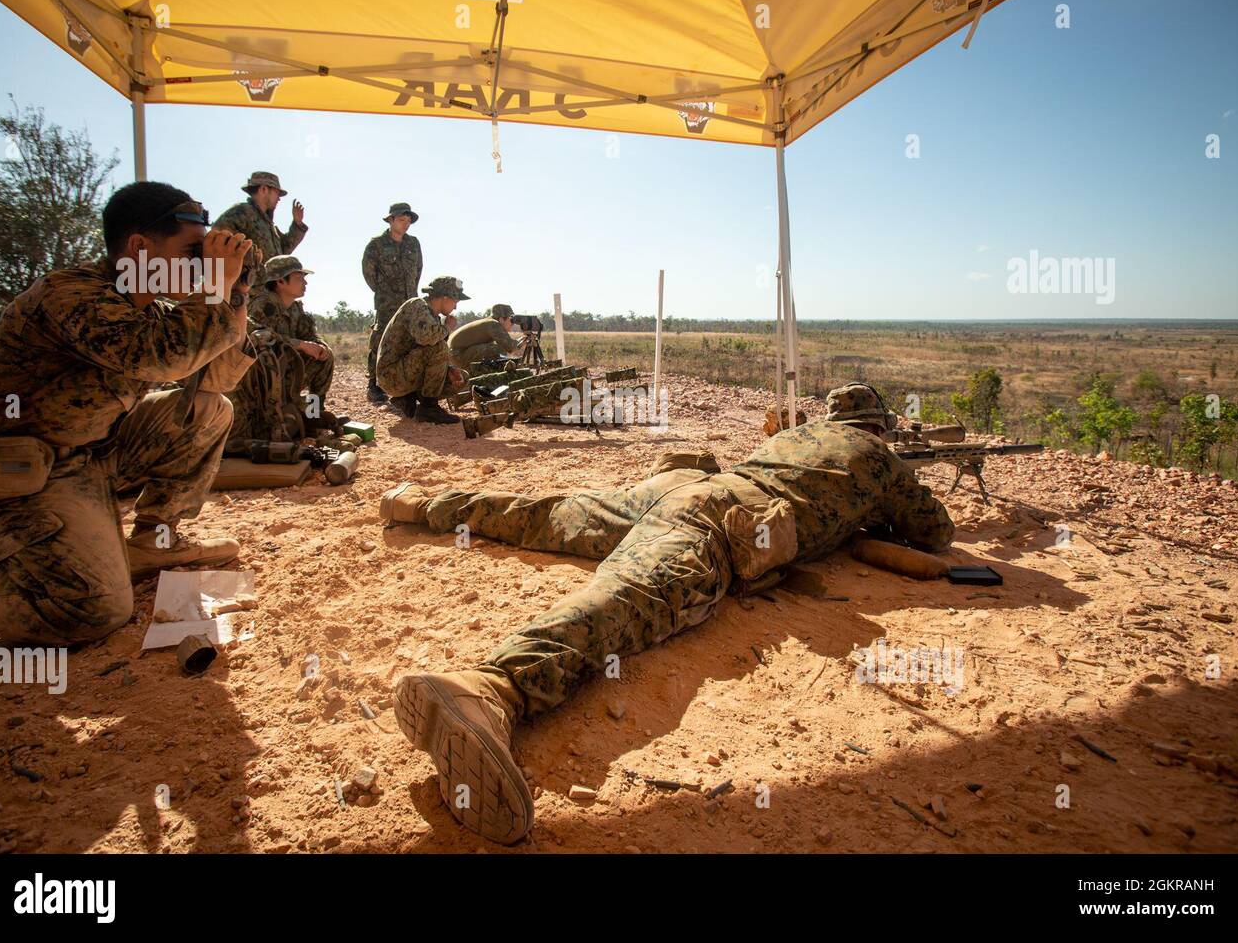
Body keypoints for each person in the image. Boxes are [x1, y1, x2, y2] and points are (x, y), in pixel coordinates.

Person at [380, 384, 955, 843]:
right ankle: (492, 687)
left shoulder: (801, 435)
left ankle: (423, 504)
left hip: (687, 488)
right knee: (632, 596)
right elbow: (934, 531)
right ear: (878, 427)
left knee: (553, 514)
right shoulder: (877, 455)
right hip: (718, 524)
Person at [0, 181, 255, 646]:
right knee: (91, 608)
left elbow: (217, 378)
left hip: (91, 455)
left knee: (208, 410)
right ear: (139, 249)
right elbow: (165, 357)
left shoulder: (151, 308)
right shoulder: (71, 295)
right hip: (20, 471)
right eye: (191, 252)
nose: (200, 265)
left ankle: (150, 541)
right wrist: (217, 289)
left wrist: (234, 290)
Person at [375, 276, 469, 424]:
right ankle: (428, 408)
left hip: (403, 373)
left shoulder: (432, 316)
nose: (455, 307)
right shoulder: (417, 305)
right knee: (439, 347)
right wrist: (448, 328)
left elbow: (426, 353)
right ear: (445, 298)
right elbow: (427, 339)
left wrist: (449, 369)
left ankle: (407, 398)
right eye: (455, 302)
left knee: (460, 378)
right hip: (391, 376)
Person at [250, 255, 334, 416]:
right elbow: (256, 337)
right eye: (299, 278)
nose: (305, 282)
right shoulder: (262, 305)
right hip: (262, 378)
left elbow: (309, 335)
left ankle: (314, 413)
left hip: (286, 371)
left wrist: (319, 346)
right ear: (280, 281)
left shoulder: (295, 308)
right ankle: (269, 413)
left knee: (325, 356)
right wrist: (300, 344)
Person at [361, 202, 423, 405]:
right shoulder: (376, 245)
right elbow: (369, 274)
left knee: (408, 341)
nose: (406, 224)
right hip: (387, 302)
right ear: (391, 220)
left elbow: (418, 271)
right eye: (402, 220)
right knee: (380, 340)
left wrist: (409, 292)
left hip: (409, 302)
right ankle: (374, 384)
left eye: (408, 221)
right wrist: (385, 292)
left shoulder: (413, 244)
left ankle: (403, 387)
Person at [212, 171, 307, 287]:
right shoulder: (241, 212)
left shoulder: (268, 225)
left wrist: (297, 224)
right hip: (248, 291)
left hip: (267, 292)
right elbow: (217, 244)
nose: (279, 199)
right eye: (277, 193)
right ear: (263, 189)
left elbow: (283, 254)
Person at [448, 304, 523, 370]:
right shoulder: (493, 324)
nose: (512, 324)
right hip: (458, 354)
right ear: (501, 319)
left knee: (496, 348)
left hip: (454, 354)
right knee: (498, 349)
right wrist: (525, 339)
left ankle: (481, 370)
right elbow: (510, 347)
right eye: (511, 320)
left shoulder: (488, 322)